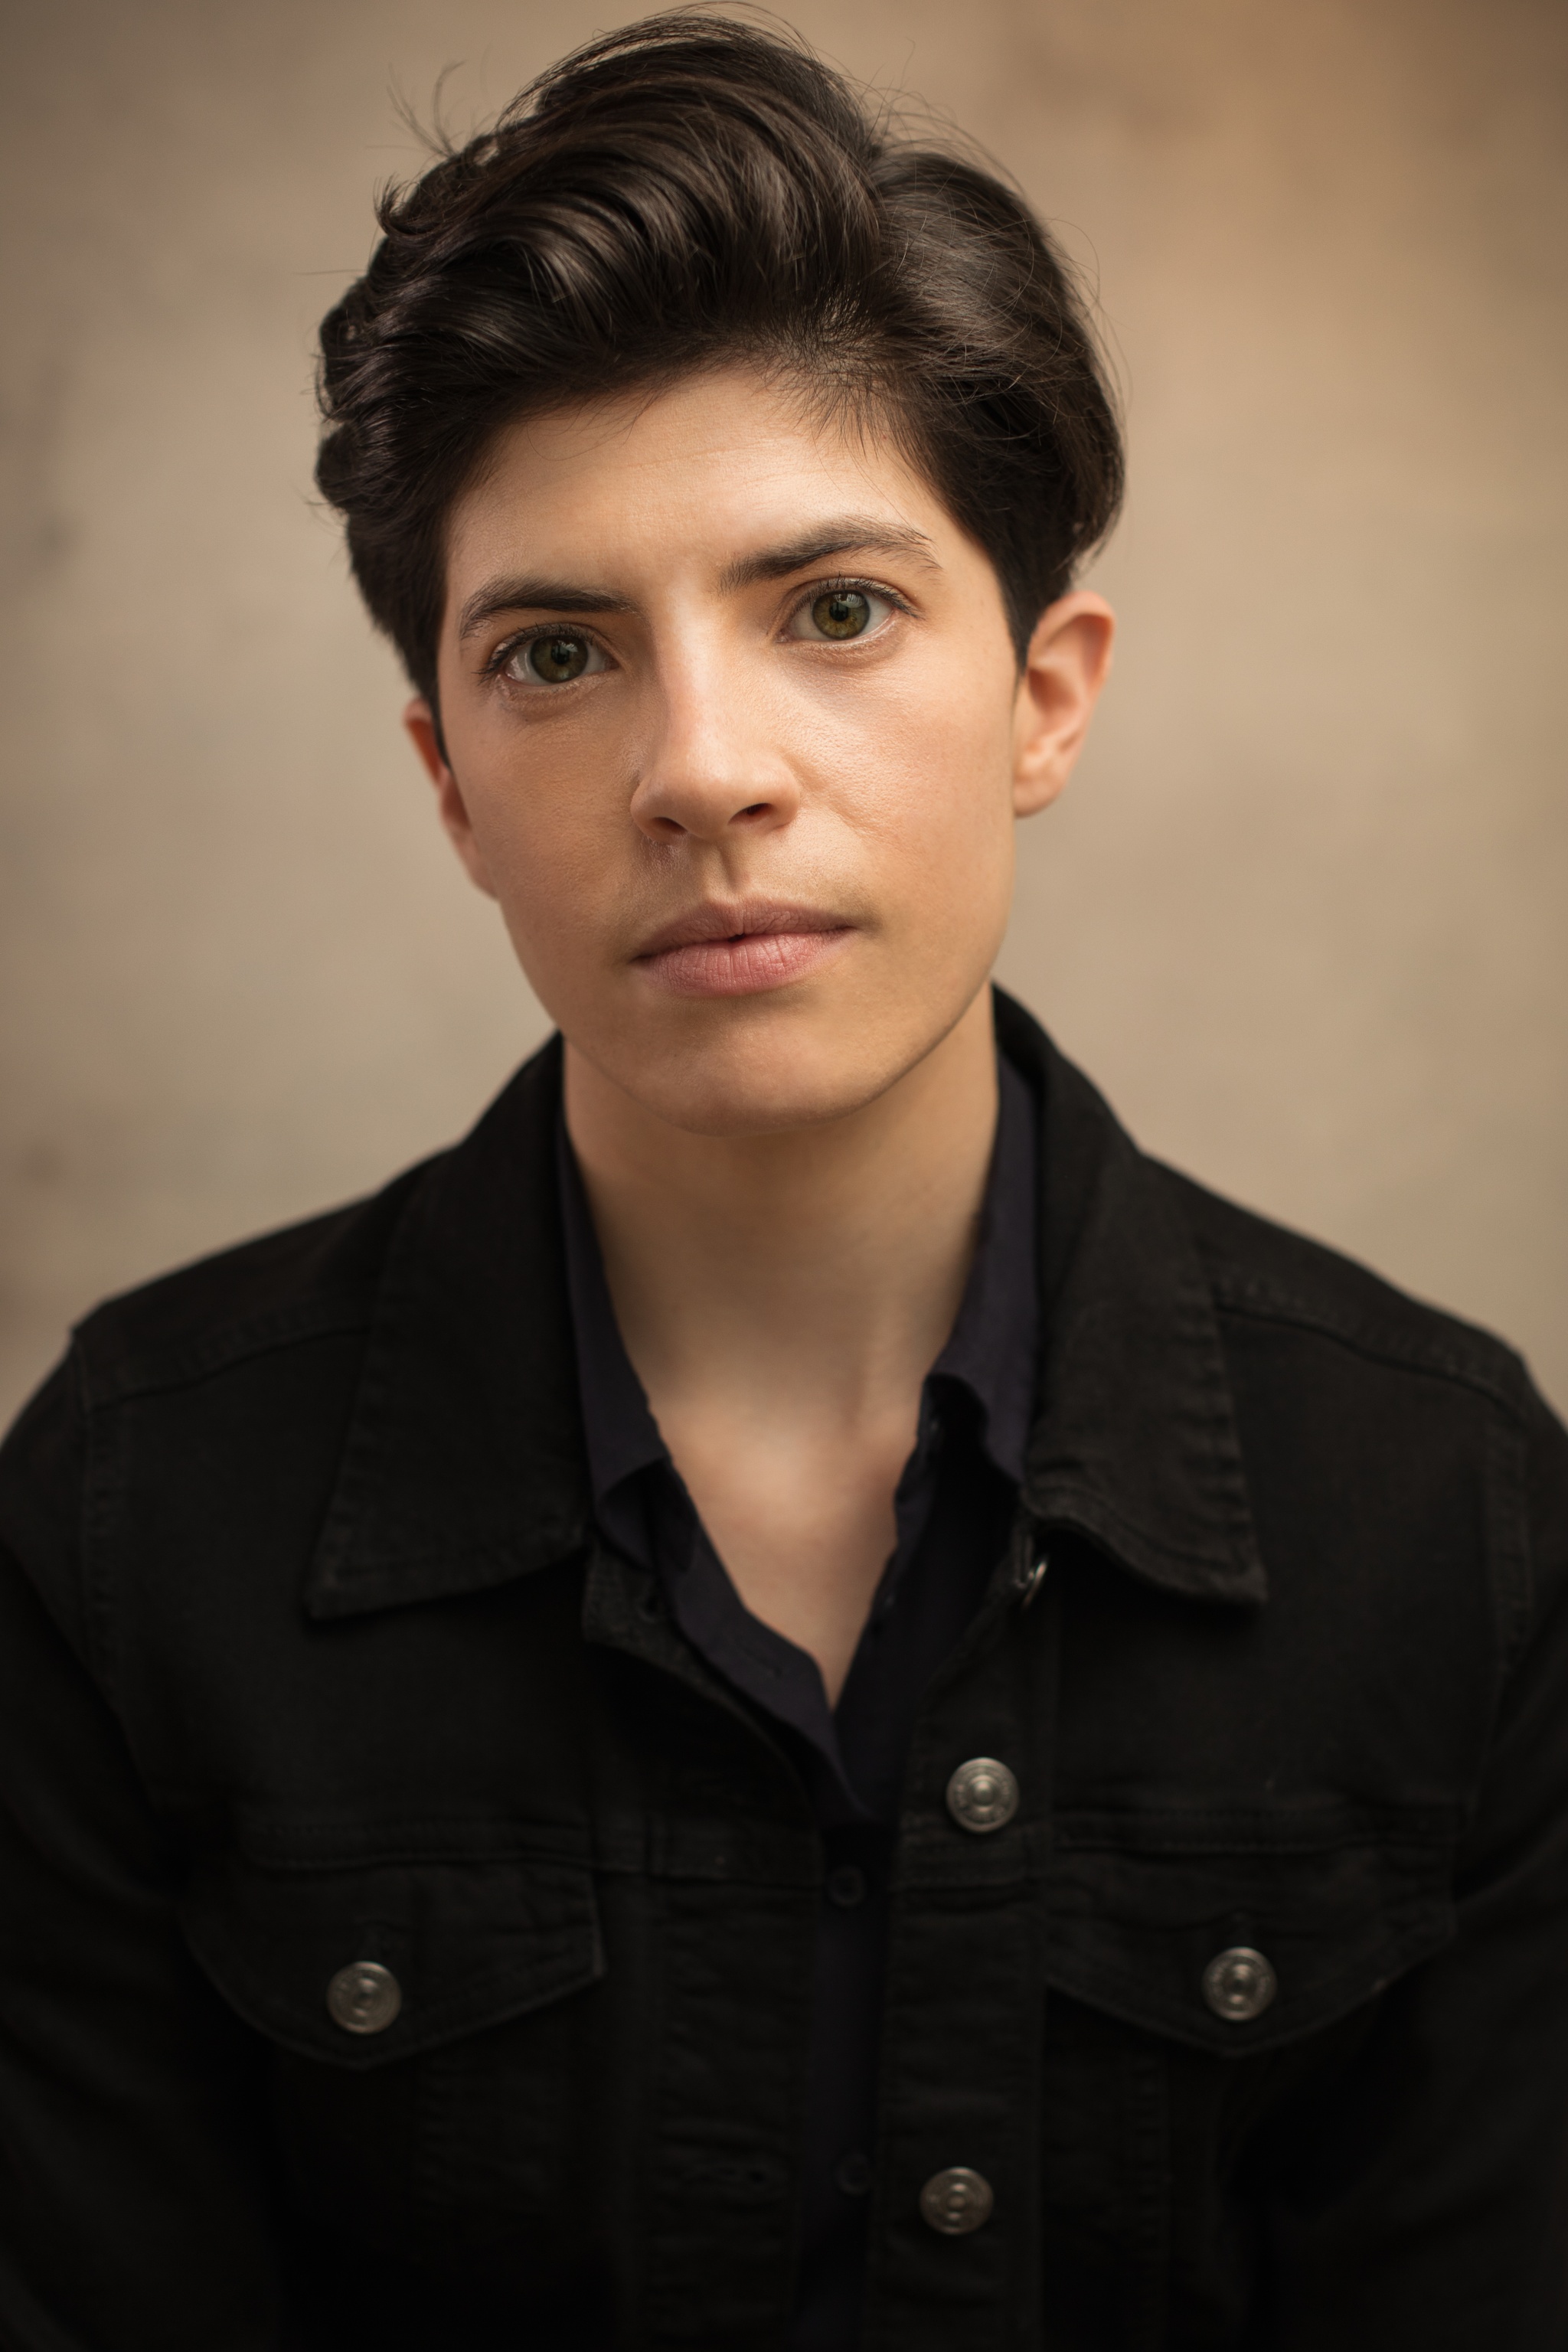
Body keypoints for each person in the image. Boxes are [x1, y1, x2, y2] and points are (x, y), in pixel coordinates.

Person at [1, 14, 1564, 2348]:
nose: (701, 770)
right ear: (447, 783)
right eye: (557, 654)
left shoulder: (1445, 1503)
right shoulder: (137, 1505)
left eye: (833, 611)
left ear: (1046, 694)